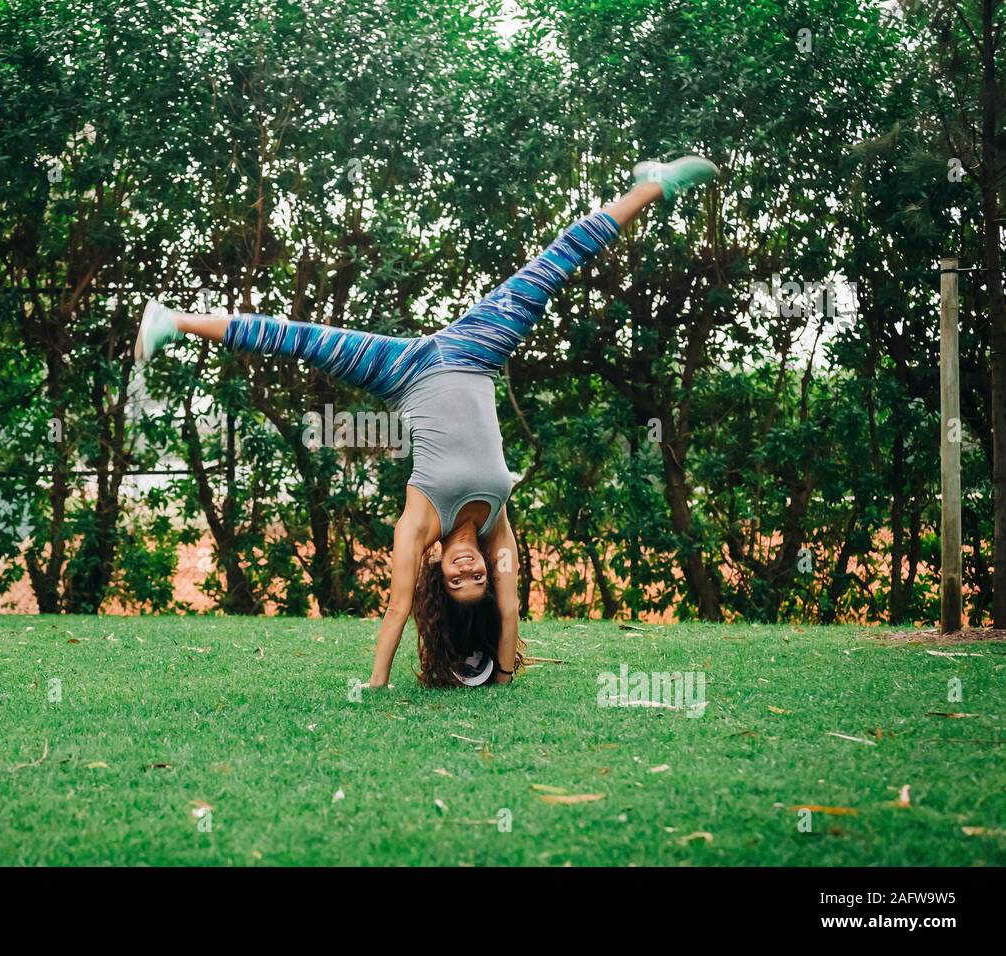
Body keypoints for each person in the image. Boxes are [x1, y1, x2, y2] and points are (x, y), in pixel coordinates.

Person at [136, 156, 718, 688]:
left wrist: (378, 682)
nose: (468, 571)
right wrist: (504, 673)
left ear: (437, 576)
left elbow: (395, 609)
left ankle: (172, 322)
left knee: (296, 339)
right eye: (478, 581)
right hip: (476, 350)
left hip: (404, 373)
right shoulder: (498, 527)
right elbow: (511, 609)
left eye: (456, 581)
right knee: (554, 266)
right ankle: (652, 184)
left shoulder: (419, 525)